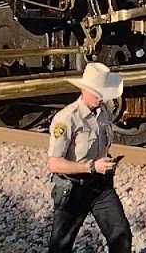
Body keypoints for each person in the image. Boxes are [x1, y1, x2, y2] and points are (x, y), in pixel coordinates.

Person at [46, 61, 132, 253]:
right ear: (83, 89)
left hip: (100, 186)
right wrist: (91, 167)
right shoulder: (66, 119)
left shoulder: (104, 113)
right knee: (60, 245)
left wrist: (106, 162)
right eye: (96, 93)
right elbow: (54, 163)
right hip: (73, 189)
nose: (100, 98)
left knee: (121, 233)